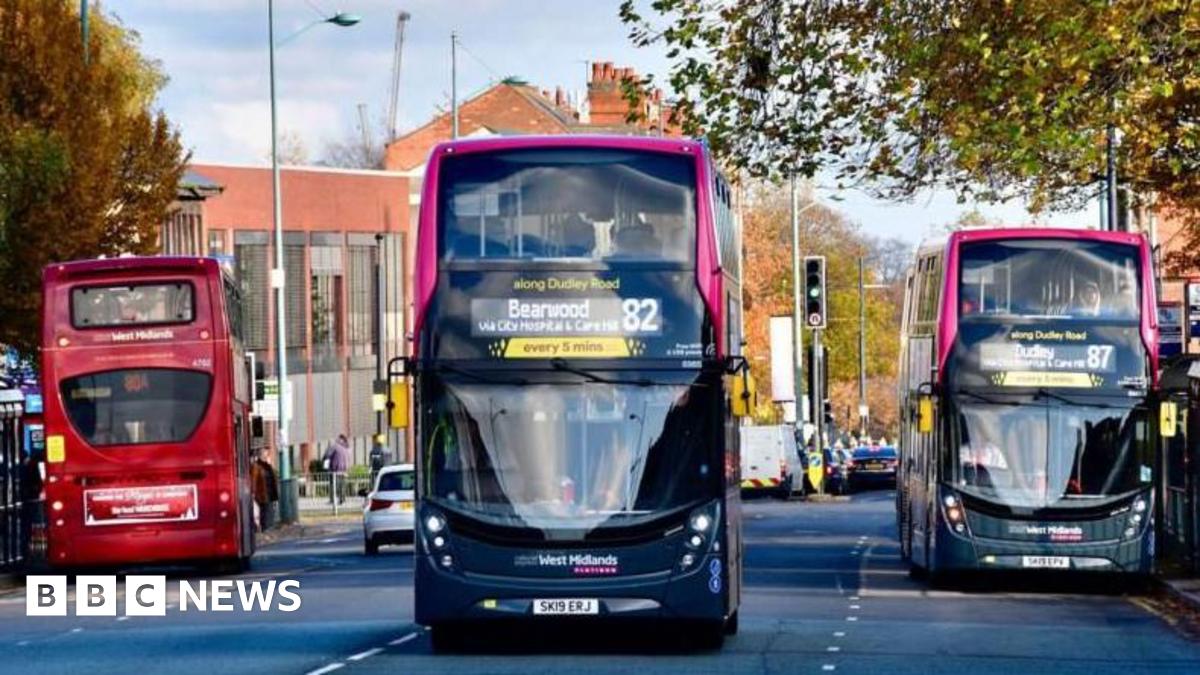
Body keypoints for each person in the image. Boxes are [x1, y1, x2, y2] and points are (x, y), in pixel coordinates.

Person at [323, 434, 351, 504]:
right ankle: (342, 499)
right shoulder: (347, 448)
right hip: (345, 470)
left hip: (335, 470)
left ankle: (332, 500)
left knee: (333, 485)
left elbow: (327, 455)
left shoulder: (335, 446)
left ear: (339, 439)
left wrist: (325, 461)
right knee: (342, 485)